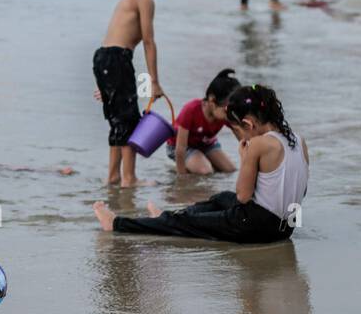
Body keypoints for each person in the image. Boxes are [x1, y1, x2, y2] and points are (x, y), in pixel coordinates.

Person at [94, 83, 308, 244]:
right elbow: (300, 190)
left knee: (185, 226)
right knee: (222, 199)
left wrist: (245, 159)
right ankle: (167, 216)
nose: (242, 137)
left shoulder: (259, 144)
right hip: (286, 226)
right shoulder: (298, 140)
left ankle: (116, 223)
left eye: (239, 131)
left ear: (248, 123)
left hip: (257, 227)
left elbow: (243, 196)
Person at [93, 0, 171, 187]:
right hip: (116, 59)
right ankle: (129, 178)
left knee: (118, 119)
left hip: (105, 59)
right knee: (127, 119)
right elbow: (148, 41)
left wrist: (106, 82)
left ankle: (113, 176)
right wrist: (154, 82)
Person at [166, 69, 240, 176]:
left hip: (206, 144)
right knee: (205, 171)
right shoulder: (191, 109)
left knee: (230, 170)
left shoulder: (226, 113)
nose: (229, 115)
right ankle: (190, 166)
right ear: (212, 100)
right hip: (180, 146)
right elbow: (180, 147)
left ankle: (201, 161)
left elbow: (243, 137)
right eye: (226, 110)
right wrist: (181, 177)